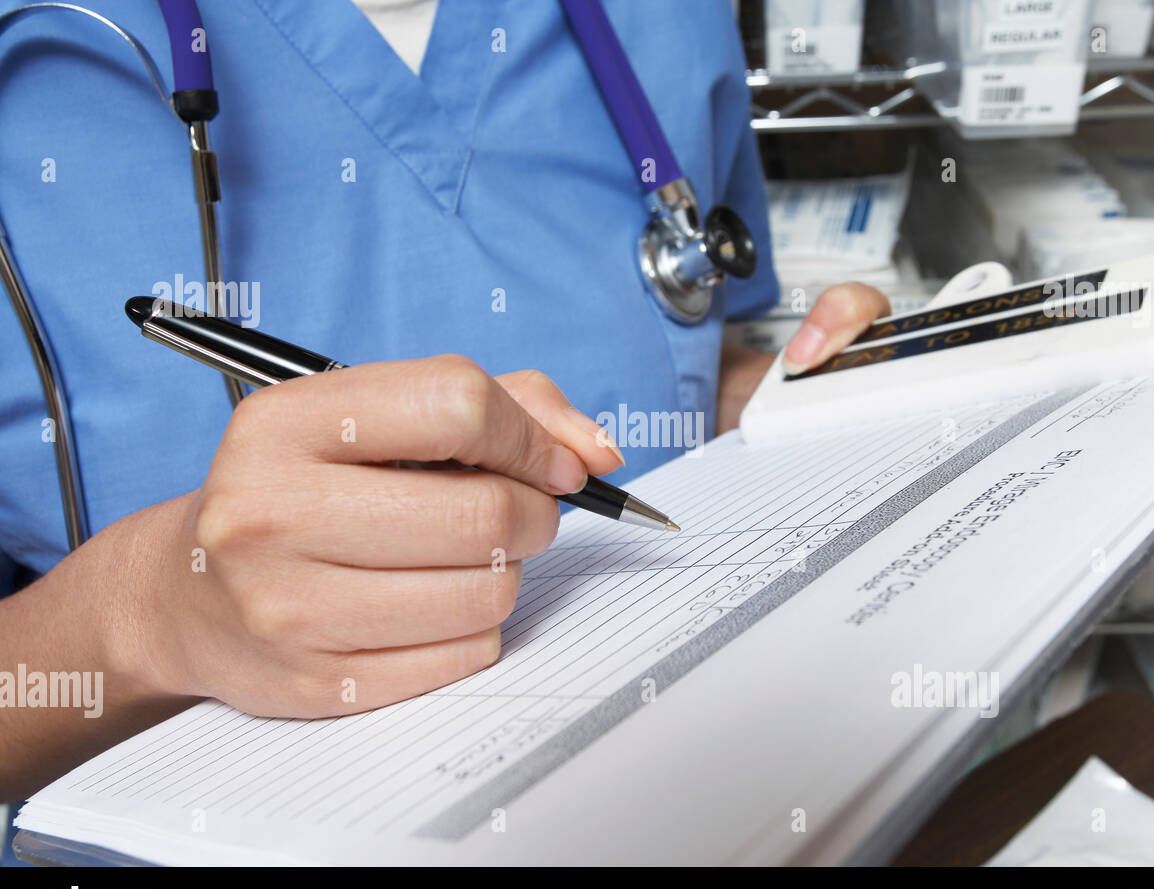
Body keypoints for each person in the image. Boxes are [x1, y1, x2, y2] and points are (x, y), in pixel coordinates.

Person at [0, 0, 889, 804]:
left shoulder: (668, 18)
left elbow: (677, 366)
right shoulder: (42, 52)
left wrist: (820, 397)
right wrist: (143, 615)